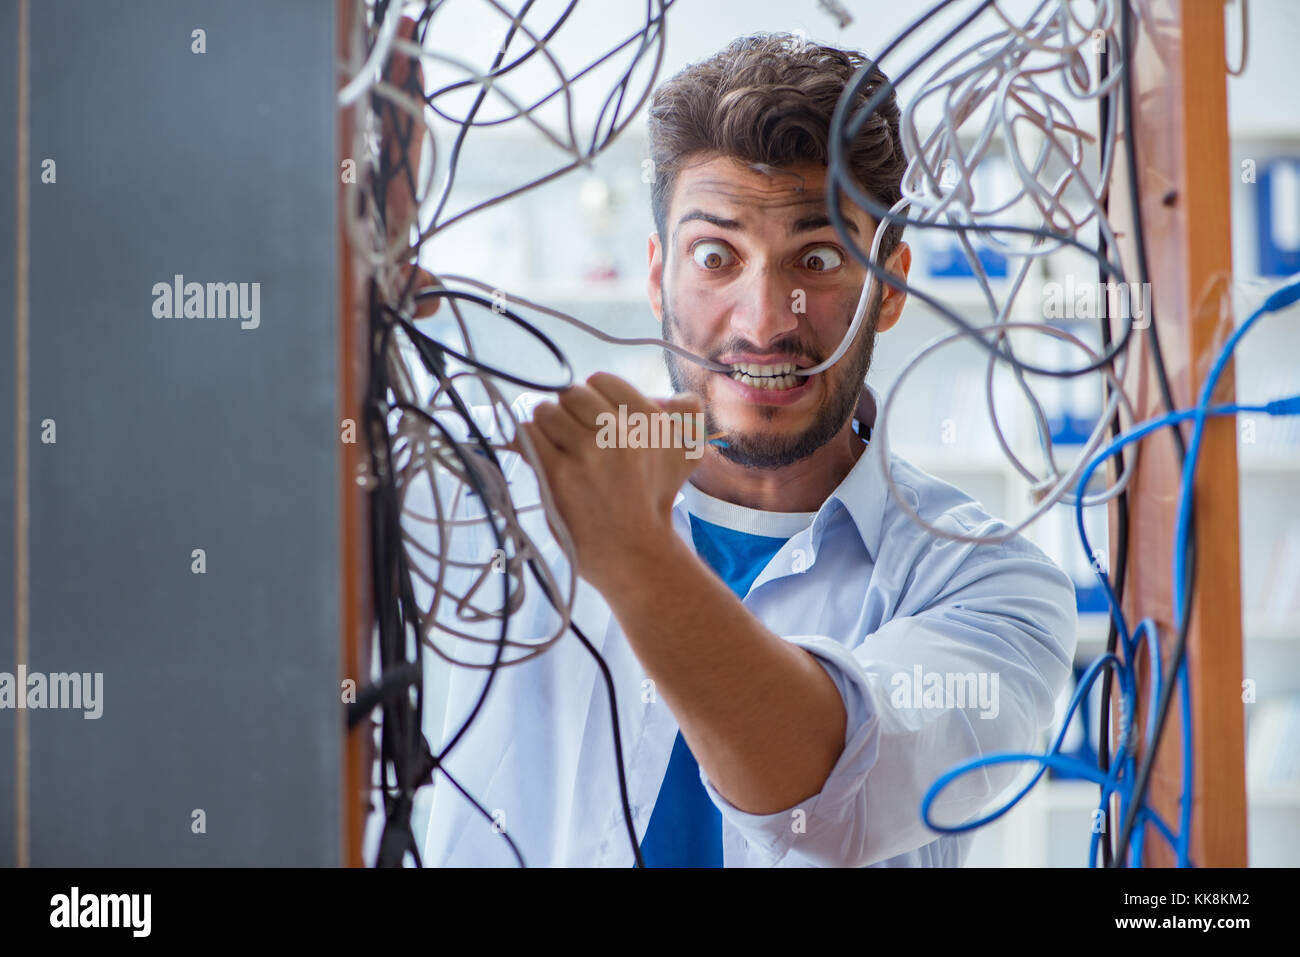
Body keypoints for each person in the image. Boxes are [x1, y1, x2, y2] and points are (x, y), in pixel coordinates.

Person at [419, 32, 1077, 867]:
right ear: (657, 276)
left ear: (892, 287)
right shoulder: (503, 477)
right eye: (715, 256)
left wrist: (630, 552)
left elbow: (825, 787)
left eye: (818, 256)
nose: (765, 320)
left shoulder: (993, 583)